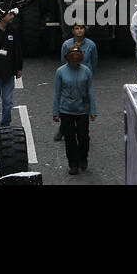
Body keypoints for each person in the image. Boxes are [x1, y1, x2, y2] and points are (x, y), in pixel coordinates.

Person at [53, 44, 95, 175]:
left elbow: (90, 91)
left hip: (82, 110)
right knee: (70, 139)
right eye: (72, 57)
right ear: (68, 58)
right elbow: (57, 93)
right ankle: (73, 164)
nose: (74, 60)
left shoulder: (86, 71)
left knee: (83, 137)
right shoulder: (60, 72)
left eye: (77, 57)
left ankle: (83, 158)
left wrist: (92, 111)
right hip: (66, 111)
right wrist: (56, 112)